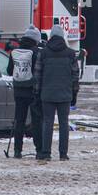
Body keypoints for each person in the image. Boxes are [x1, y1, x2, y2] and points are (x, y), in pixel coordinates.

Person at [33, 25, 80, 162]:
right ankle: (63, 154)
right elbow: (75, 76)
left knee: (47, 122)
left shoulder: (44, 53)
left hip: (47, 94)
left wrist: (37, 92)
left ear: (50, 37)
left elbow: (37, 74)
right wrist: (74, 94)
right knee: (64, 123)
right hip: (65, 95)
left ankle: (46, 152)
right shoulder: (71, 54)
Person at [8, 26, 42, 159]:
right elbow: (38, 71)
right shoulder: (36, 52)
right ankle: (39, 150)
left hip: (18, 91)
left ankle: (17, 150)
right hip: (32, 91)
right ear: (36, 39)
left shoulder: (14, 52)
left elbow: (9, 70)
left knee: (19, 121)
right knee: (36, 121)